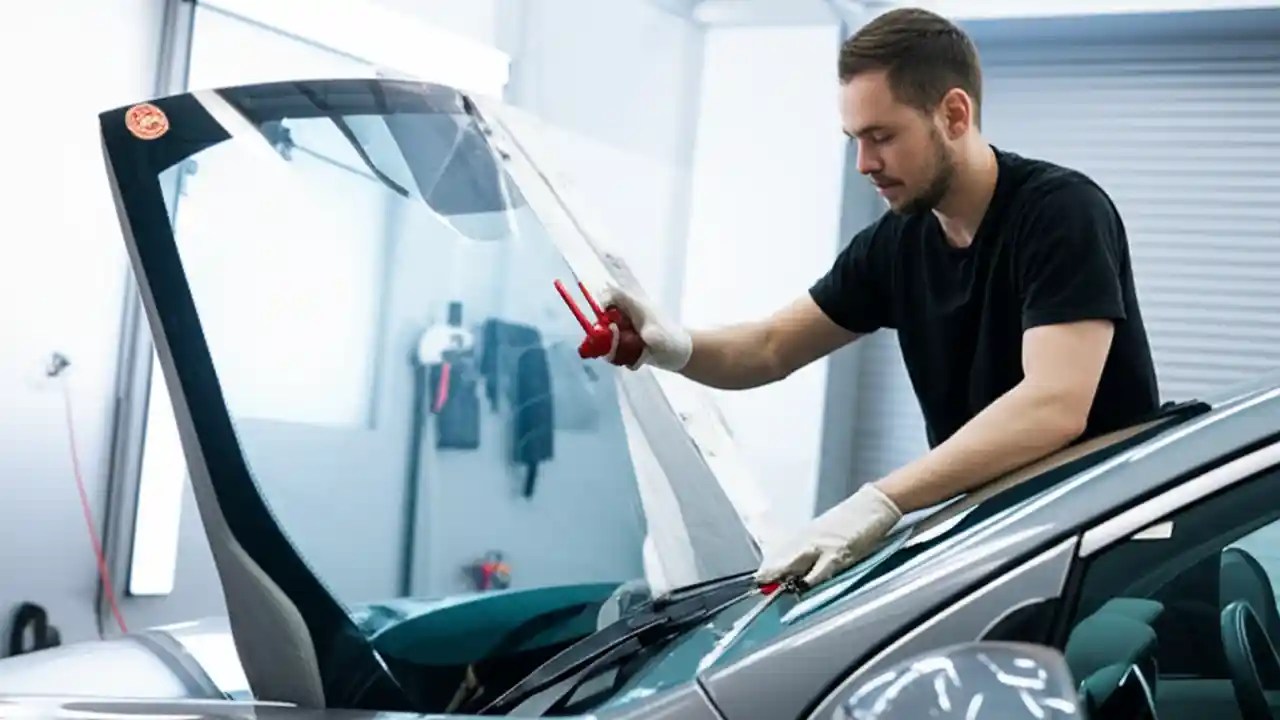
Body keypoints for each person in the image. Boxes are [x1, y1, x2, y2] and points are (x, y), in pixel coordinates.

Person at [599, 7, 1160, 588]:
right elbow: (768, 349)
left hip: (1118, 554)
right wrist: (672, 346)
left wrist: (881, 502)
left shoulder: (1060, 214)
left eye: (882, 137)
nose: (865, 164)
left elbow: (1054, 405)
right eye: (854, 141)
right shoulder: (896, 246)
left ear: (954, 114)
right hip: (1013, 550)